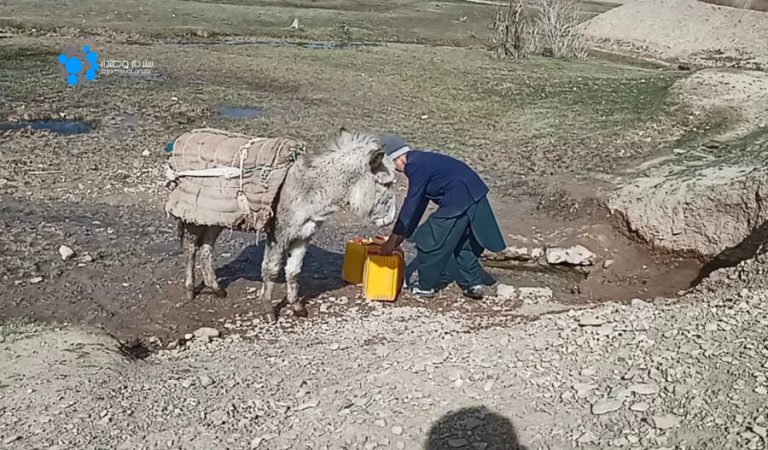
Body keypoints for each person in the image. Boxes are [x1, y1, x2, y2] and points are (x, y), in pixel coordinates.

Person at [378, 133, 507, 300]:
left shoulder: (415, 166)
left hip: (459, 199)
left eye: (393, 165)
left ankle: (425, 287)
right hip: (474, 196)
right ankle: (474, 284)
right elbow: (418, 206)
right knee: (462, 241)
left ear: (397, 159)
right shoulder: (423, 161)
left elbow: (411, 205)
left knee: (429, 239)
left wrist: (392, 241)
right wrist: (400, 237)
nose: (396, 170)